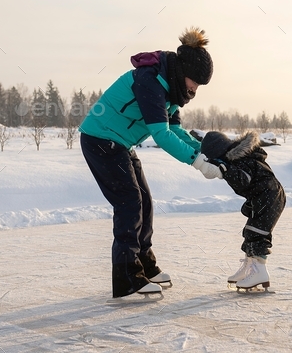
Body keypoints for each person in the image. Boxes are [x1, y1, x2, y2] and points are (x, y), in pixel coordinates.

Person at [79, 27, 222, 298]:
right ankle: (126, 277)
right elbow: (161, 134)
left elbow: (177, 131)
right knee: (129, 201)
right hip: (100, 140)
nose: (194, 89)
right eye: (195, 82)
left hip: (120, 143)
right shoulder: (151, 81)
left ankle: (145, 264)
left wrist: (204, 151)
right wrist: (198, 163)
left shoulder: (171, 89)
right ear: (183, 72)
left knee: (144, 199)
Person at [200, 130, 286, 290]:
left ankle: (260, 271)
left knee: (257, 233)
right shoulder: (240, 157)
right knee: (250, 232)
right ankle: (249, 268)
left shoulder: (240, 161)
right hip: (263, 197)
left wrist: (224, 170)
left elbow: (243, 181)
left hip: (269, 197)